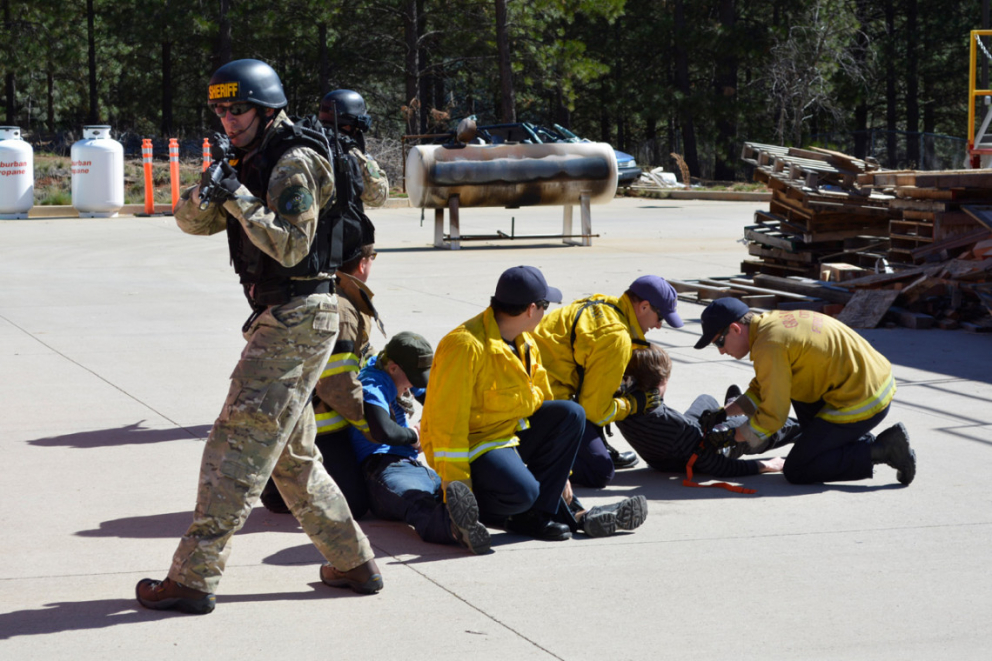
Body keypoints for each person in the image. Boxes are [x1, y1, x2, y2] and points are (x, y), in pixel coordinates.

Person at [135, 59, 380, 616]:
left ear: (267, 110)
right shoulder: (248, 156)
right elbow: (191, 222)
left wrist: (238, 197)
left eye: (238, 109)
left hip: (299, 315)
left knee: (233, 449)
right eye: (220, 110)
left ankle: (193, 578)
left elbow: (292, 247)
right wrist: (214, 186)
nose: (228, 119)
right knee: (292, 460)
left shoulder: (294, 161)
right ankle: (354, 562)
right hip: (283, 316)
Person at [420, 266, 647, 542]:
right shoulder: (465, 346)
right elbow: (446, 423)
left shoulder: (525, 341)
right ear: (530, 309)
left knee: (570, 413)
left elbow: (545, 402)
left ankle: (545, 514)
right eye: (545, 306)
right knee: (523, 492)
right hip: (477, 446)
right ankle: (481, 511)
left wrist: (561, 476)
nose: (546, 312)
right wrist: (457, 487)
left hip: (510, 437)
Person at [694, 298, 916, 486]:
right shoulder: (769, 324)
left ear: (735, 329)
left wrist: (732, 437)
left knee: (799, 468)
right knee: (805, 422)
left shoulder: (769, 346)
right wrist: (724, 413)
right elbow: (764, 387)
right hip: (867, 380)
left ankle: (883, 449)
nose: (721, 351)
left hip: (863, 399)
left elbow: (773, 416)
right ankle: (859, 442)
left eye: (719, 342)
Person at [259, 229, 385, 517]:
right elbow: (337, 386)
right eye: (373, 258)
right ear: (363, 263)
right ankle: (290, 481)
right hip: (319, 428)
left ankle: (281, 482)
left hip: (286, 419)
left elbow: (361, 352)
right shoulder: (343, 310)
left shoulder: (327, 292)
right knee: (354, 505)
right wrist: (373, 429)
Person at [532, 275, 684, 488]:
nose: (659, 325)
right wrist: (635, 404)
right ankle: (537, 459)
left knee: (604, 388)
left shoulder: (605, 303)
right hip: (541, 405)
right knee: (599, 472)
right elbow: (595, 411)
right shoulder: (616, 338)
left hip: (536, 390)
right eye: (660, 317)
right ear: (644, 307)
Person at [348, 332, 491, 554]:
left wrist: (428, 425)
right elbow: (383, 431)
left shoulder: (395, 369)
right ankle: (453, 529)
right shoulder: (372, 383)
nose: (413, 387)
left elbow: (437, 402)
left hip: (412, 466)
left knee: (452, 491)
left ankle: (478, 517)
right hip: (381, 469)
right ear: (393, 368)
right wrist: (415, 436)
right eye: (413, 380)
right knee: (418, 502)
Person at [615, 345, 798, 478]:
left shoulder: (621, 406)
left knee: (706, 399)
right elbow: (717, 466)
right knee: (759, 427)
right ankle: (805, 429)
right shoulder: (676, 425)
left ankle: (732, 409)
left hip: (666, 455)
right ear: (660, 384)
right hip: (710, 447)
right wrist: (766, 465)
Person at [318, 89, 388, 210]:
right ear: (348, 125)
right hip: (338, 220)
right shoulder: (349, 150)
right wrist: (368, 159)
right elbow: (378, 197)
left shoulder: (312, 142)